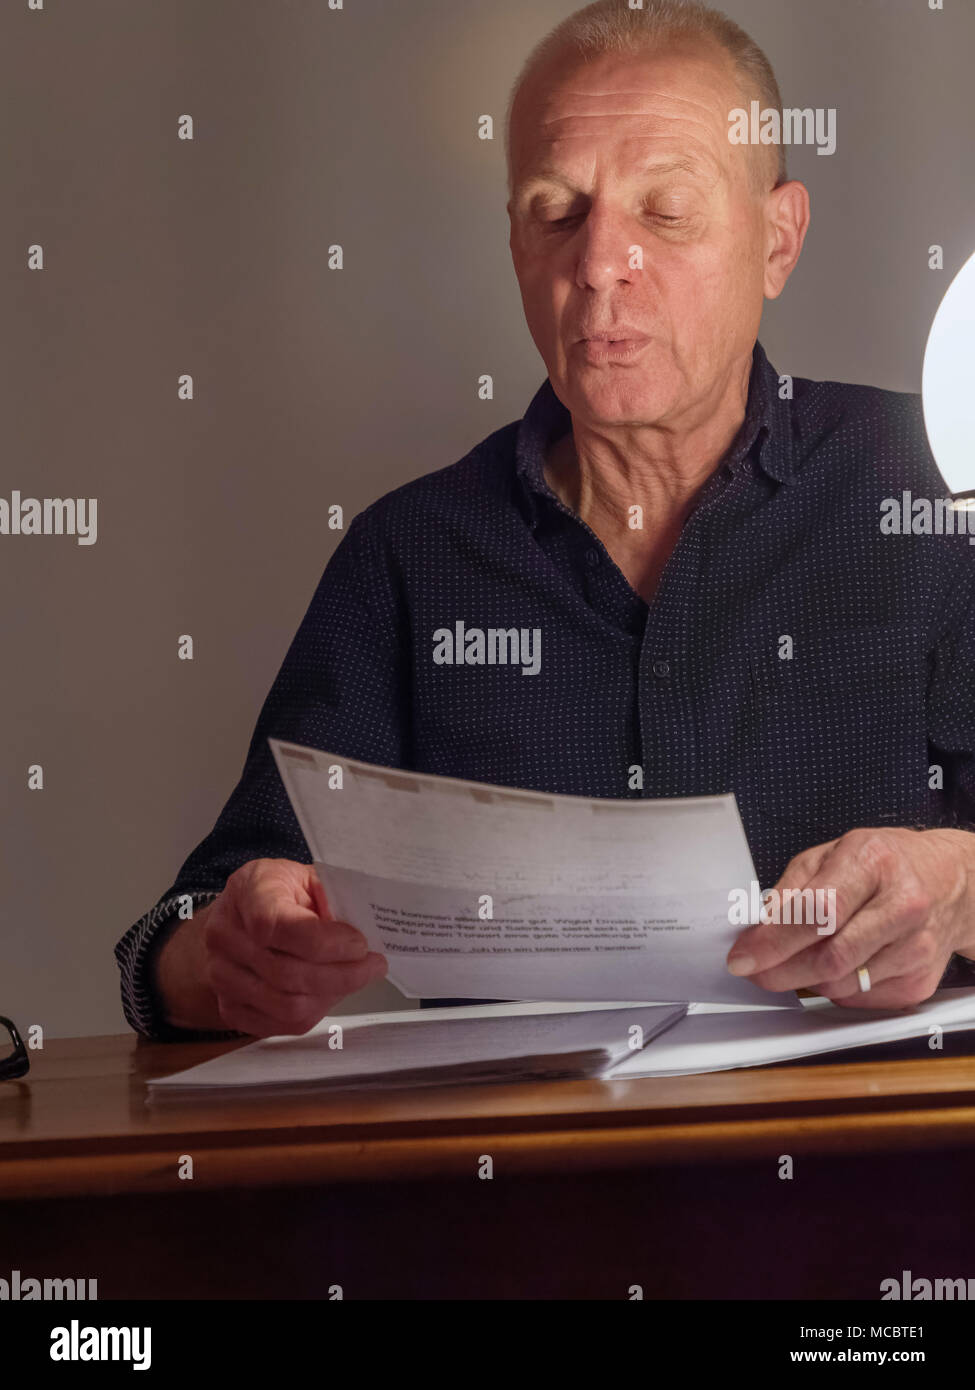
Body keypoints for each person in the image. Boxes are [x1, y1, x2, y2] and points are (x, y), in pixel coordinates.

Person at [115, 0, 975, 1042]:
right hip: (519, 1186)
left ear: (777, 240)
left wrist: (961, 883)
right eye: (555, 210)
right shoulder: (411, 558)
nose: (600, 262)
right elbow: (183, 932)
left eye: (664, 209)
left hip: (894, 1176)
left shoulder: (942, 491)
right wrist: (219, 956)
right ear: (517, 240)